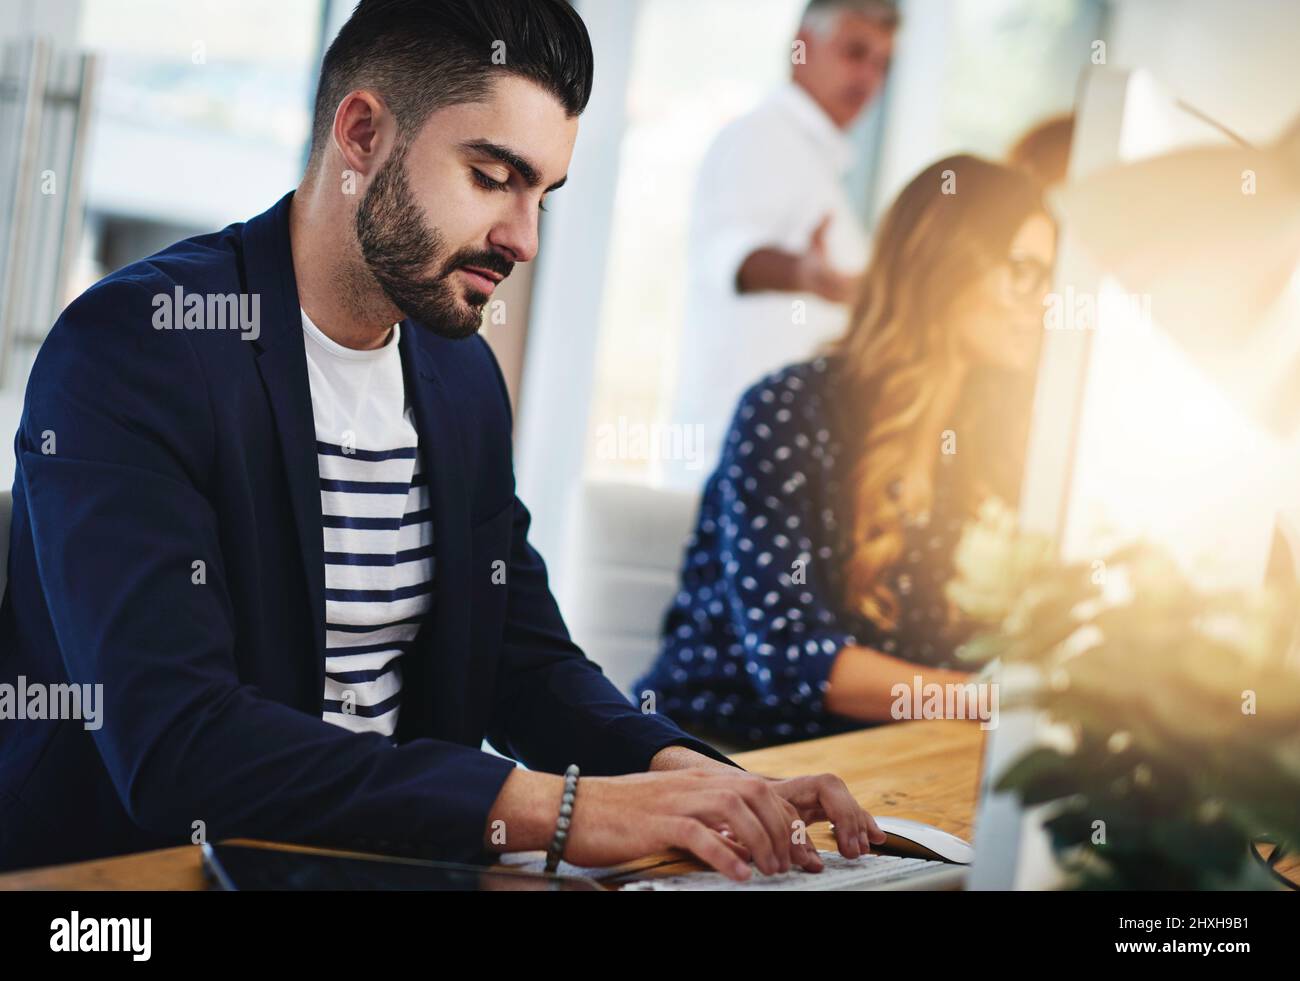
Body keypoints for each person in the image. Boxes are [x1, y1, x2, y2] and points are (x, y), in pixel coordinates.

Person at [0, 0, 885, 880]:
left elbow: (523, 660)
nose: (525, 238)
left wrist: (691, 777)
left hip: (389, 866)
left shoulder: (459, 376)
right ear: (361, 135)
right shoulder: (134, 349)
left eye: (543, 193)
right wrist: (558, 809)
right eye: (493, 176)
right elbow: (178, 746)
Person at [635, 155, 1056, 748]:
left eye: (1052, 277)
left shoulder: (998, 441)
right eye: (1024, 271)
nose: (1044, 300)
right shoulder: (787, 411)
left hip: (889, 753)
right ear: (944, 265)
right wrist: (990, 701)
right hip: (721, 753)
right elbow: (793, 661)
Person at [667, 0, 898, 484]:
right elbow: (731, 253)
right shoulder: (759, 139)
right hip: (737, 462)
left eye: (882, 64)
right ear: (802, 48)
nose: (869, 77)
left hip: (776, 456)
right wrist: (803, 275)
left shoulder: (818, 163)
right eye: (855, 52)